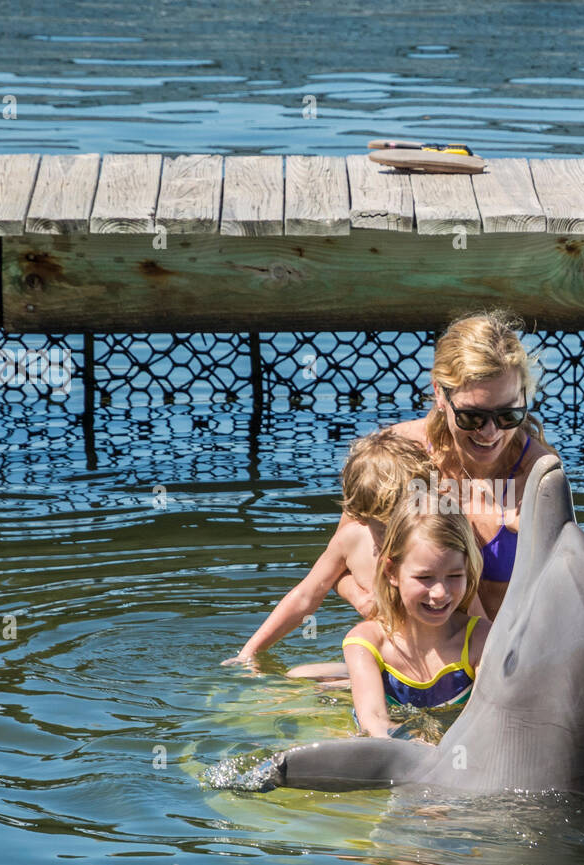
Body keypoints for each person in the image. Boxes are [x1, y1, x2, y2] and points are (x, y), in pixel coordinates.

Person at [389, 311, 556, 618]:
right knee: (299, 671)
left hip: (497, 657)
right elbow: (340, 562)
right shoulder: (397, 453)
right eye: (471, 417)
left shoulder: (538, 472)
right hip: (409, 657)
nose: (490, 432)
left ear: (523, 396)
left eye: (509, 415)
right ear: (440, 393)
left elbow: (562, 586)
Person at [221, 429, 434, 667]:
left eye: (407, 522)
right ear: (362, 516)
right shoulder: (351, 541)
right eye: (385, 528)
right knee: (302, 675)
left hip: (436, 657)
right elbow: (305, 596)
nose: (398, 535)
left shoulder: (437, 542)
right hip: (385, 657)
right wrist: (251, 651)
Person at [341, 503, 491, 738]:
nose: (440, 592)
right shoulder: (366, 644)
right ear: (392, 572)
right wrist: (419, 747)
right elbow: (374, 723)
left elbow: (486, 720)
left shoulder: (482, 639)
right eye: (425, 577)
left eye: (454, 576)